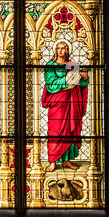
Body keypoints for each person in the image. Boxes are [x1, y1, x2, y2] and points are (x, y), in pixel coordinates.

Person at [42, 40, 89, 171]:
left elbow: (79, 85)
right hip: (58, 104)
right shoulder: (50, 65)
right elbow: (51, 84)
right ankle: (52, 161)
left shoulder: (72, 65)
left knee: (70, 131)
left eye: (64, 48)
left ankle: (66, 161)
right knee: (55, 132)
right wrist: (66, 80)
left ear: (67, 51)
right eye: (59, 48)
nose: (61, 50)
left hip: (71, 104)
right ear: (55, 50)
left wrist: (84, 79)